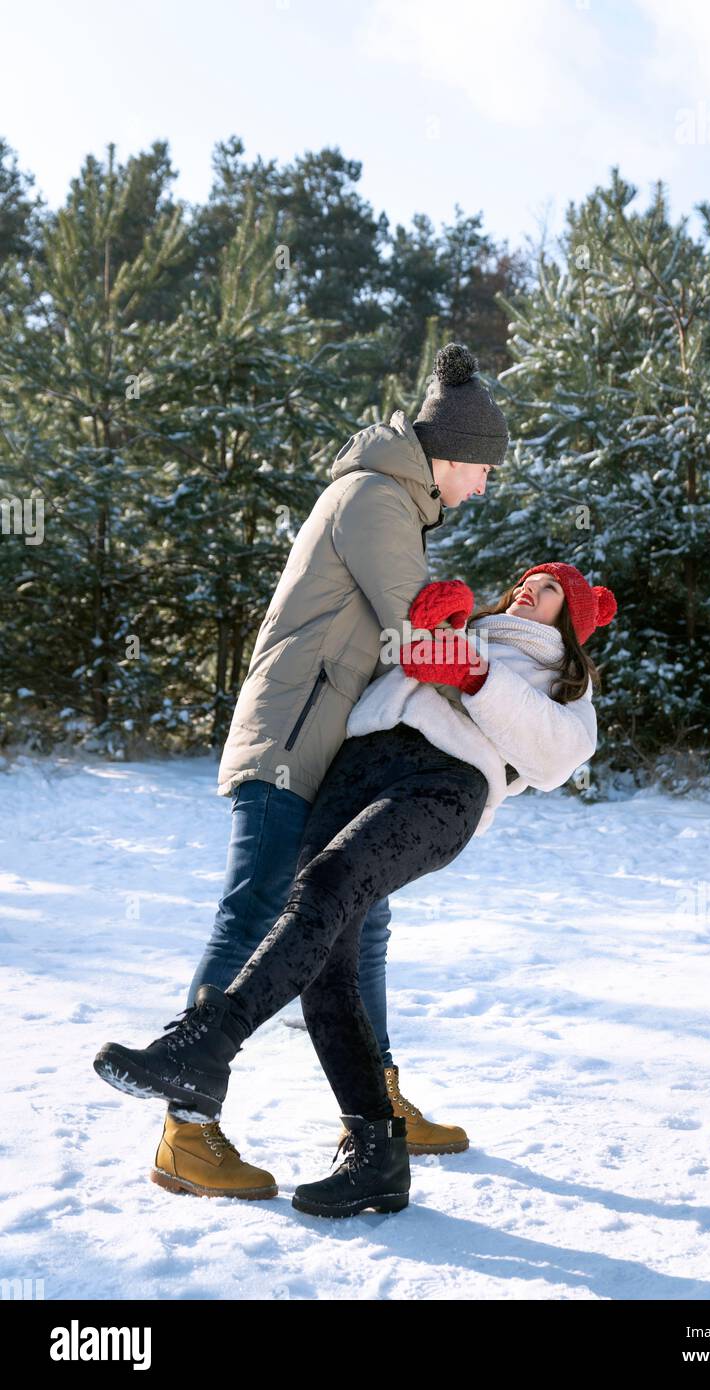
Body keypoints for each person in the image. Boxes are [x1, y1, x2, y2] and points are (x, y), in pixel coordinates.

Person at [94, 562, 617, 1217]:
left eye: (545, 591)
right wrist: (430, 633)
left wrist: (476, 674)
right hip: (358, 769)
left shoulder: (561, 680)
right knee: (327, 960)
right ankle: (376, 1157)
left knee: (327, 884)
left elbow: (556, 755)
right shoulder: (469, 629)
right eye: (524, 581)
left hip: (441, 785)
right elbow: (389, 668)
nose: (525, 591)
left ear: (571, 619)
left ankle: (204, 1044)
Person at [141, 343, 510, 1199]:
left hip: (332, 749)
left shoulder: (394, 501)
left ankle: (373, 1106)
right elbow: (418, 637)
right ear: (450, 455)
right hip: (292, 743)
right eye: (483, 469)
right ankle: (186, 1130)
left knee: (363, 919)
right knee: (254, 917)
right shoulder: (378, 498)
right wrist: (516, 694)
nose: (485, 486)